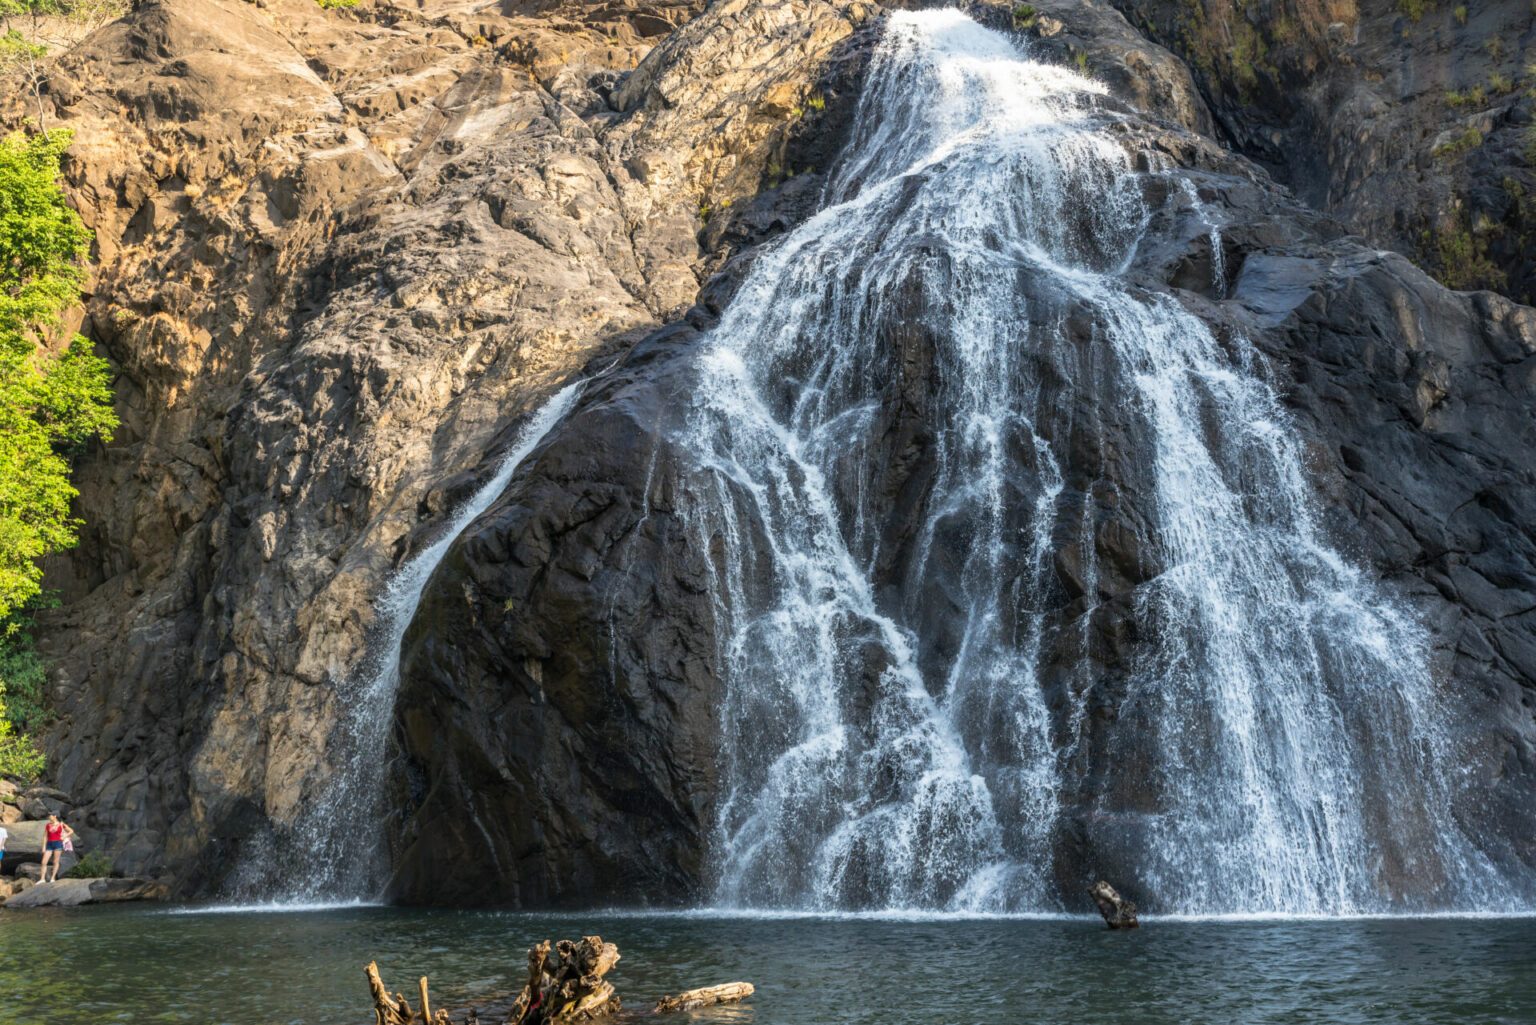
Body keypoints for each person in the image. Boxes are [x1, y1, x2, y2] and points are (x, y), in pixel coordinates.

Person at [39, 813, 74, 884]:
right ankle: (42, 879)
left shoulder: (61, 824)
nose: (49, 818)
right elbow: (45, 836)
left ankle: (53, 878)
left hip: (58, 844)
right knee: (43, 862)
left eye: (50, 816)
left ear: (55, 816)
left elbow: (71, 831)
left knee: (55, 861)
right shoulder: (48, 825)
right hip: (49, 844)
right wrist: (43, 846)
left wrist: (64, 836)